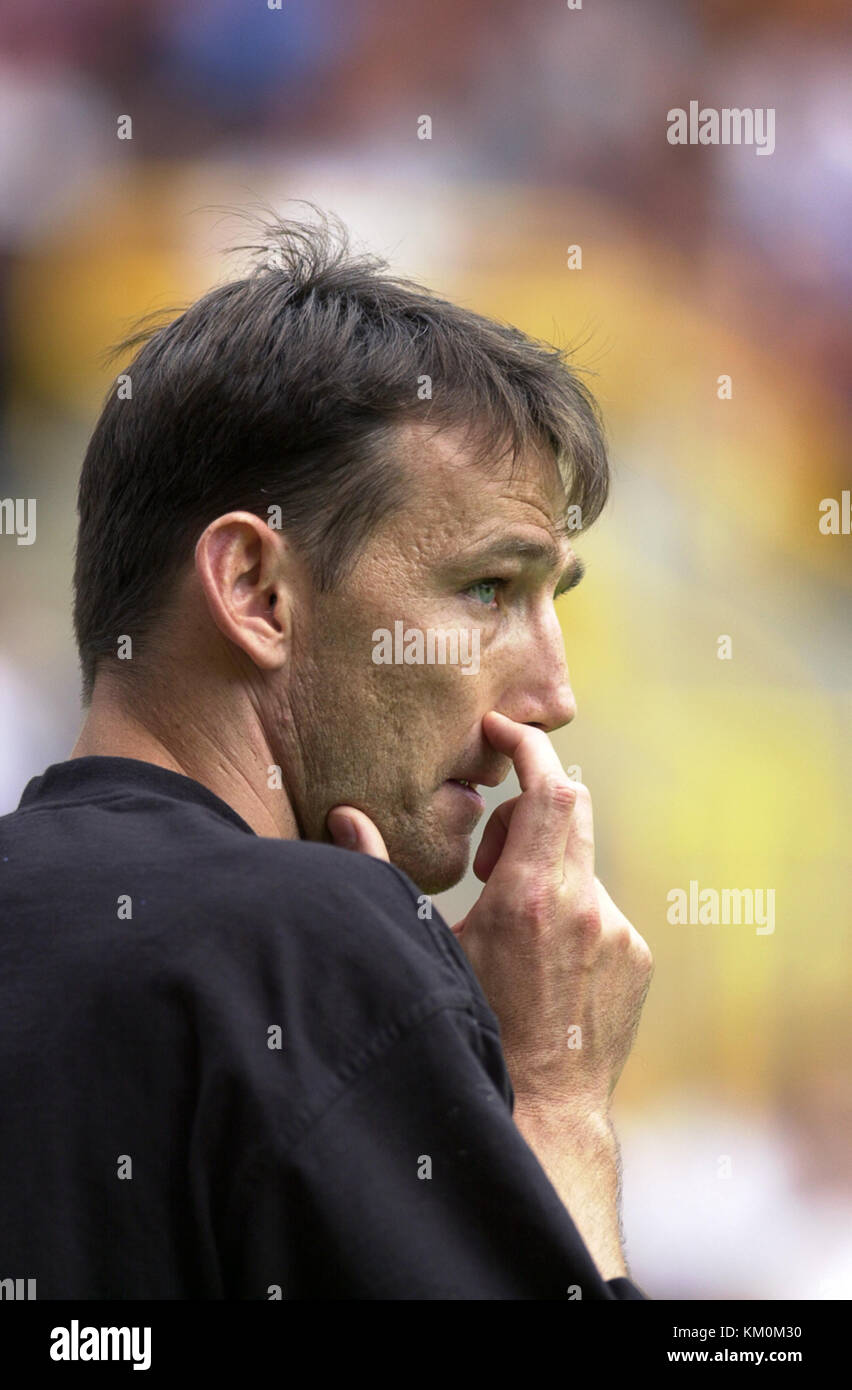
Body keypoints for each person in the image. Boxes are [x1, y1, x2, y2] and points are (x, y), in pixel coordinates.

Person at [0, 208, 654, 1299]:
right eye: (488, 588)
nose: (555, 697)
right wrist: (551, 1100)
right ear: (257, 591)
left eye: (554, 601)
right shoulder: (313, 941)